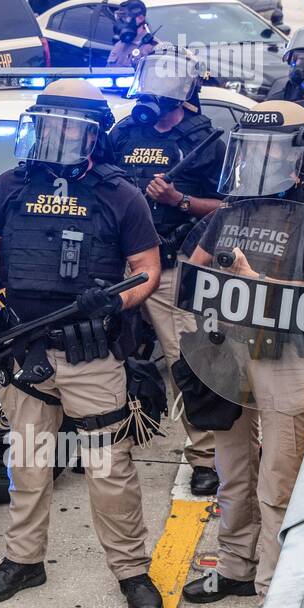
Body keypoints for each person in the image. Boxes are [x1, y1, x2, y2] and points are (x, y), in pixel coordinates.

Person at [0, 78, 164, 608]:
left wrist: (116, 305)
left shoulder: (121, 194)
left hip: (91, 352)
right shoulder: (10, 185)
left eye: (69, 127)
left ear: (93, 135)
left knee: (107, 466)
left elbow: (147, 271)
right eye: (49, 124)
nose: (57, 135)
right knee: (27, 464)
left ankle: (131, 569)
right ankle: (24, 560)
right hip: (23, 350)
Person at [181, 100, 304, 603]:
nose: (258, 161)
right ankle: (234, 566)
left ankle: (276, 592)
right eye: (250, 150)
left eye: (269, 151)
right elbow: (196, 267)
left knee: (280, 486)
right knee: (233, 472)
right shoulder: (233, 207)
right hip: (230, 349)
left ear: (297, 154)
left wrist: (258, 283)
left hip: (287, 359)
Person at [108, 49, 224, 495]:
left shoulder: (206, 140)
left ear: (185, 93)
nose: (155, 94)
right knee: (99, 354)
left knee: (185, 358)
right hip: (118, 262)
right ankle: (95, 443)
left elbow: (232, 206)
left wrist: (180, 201)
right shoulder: (125, 131)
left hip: (174, 265)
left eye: (166, 86)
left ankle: (204, 455)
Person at [106, 0, 158, 68]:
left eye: (125, 18)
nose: (121, 22)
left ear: (140, 18)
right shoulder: (119, 45)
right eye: (120, 18)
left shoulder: (153, 48)